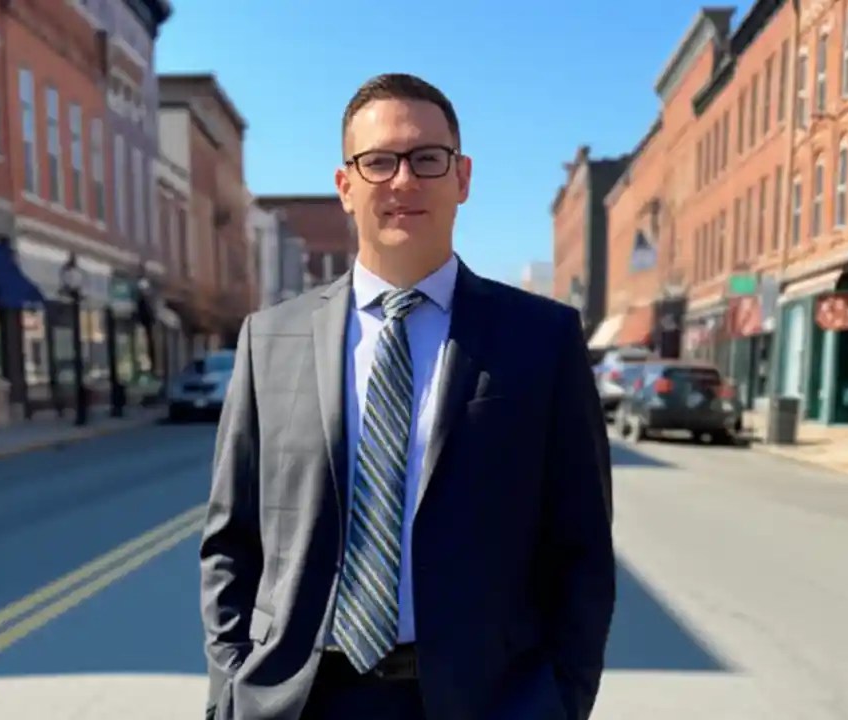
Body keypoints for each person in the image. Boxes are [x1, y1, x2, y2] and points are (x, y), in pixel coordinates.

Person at [199, 72, 615, 720]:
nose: (403, 181)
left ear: (462, 178)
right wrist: (230, 689)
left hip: (487, 702)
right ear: (345, 186)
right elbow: (232, 541)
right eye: (378, 161)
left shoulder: (543, 340)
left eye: (427, 159)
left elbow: (581, 547)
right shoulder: (269, 341)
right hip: (301, 701)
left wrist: (560, 702)